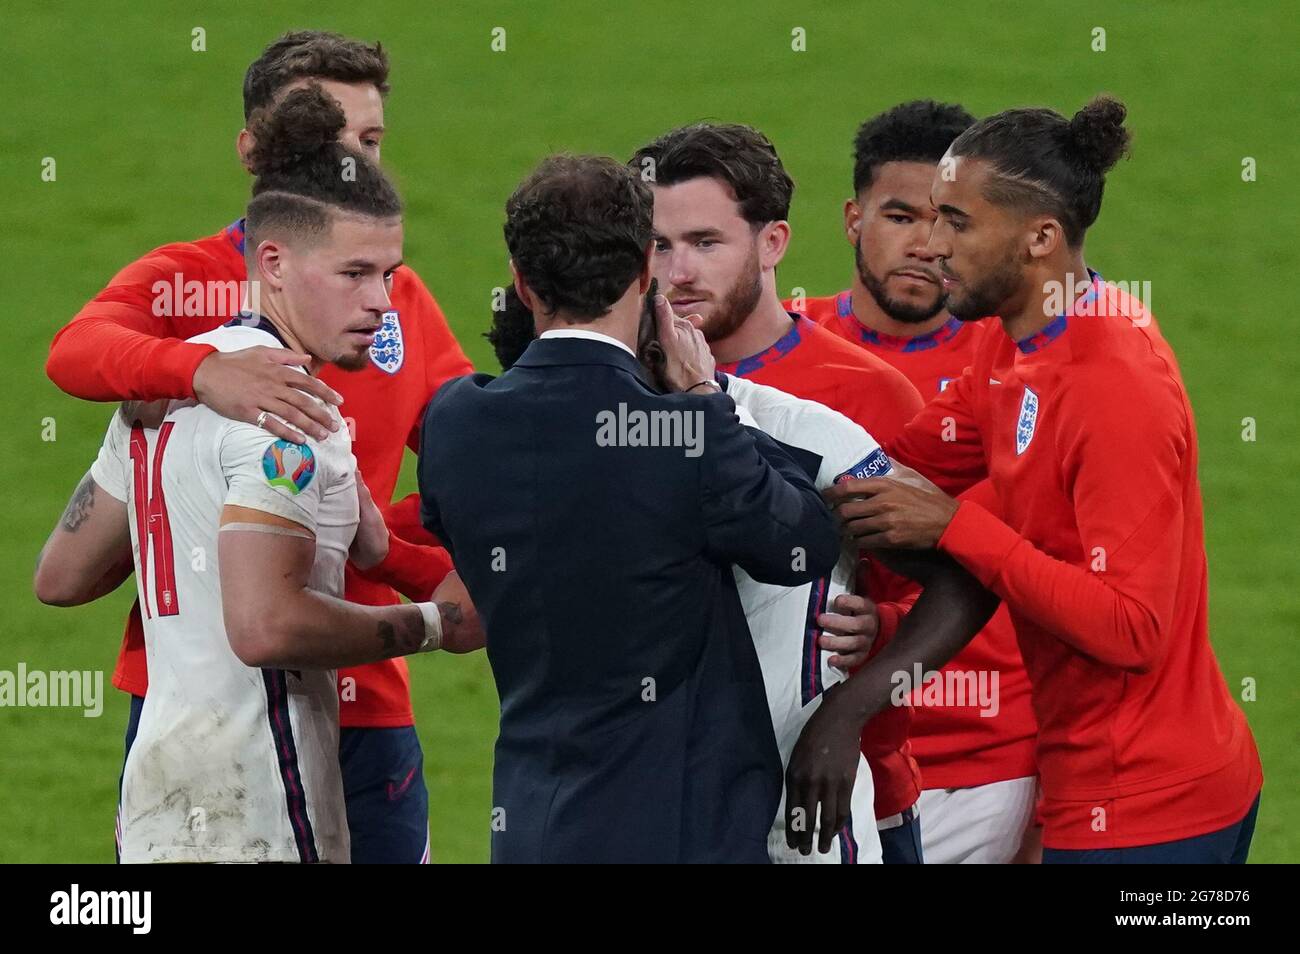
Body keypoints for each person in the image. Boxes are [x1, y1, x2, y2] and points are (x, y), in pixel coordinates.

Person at [43, 30, 472, 863]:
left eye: (369, 140)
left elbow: (463, 459)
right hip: (225, 694)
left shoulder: (394, 295)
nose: (351, 164)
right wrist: (199, 373)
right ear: (256, 151)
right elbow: (73, 352)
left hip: (362, 696)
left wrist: (396, 544)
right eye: (324, 140)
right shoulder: (185, 288)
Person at [827, 97, 1263, 863]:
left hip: (1152, 809)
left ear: (1040, 238)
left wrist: (955, 528)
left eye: (957, 223)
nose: (932, 246)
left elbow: (1133, 628)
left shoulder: (1114, 388)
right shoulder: (1012, 343)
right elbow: (903, 464)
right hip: (1094, 788)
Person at [419, 154, 842, 862]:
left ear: (521, 283)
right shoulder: (683, 433)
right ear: (646, 272)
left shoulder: (457, 421)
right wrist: (706, 397)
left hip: (530, 822)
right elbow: (805, 540)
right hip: (678, 831)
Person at [632, 122, 929, 862]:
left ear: (773, 244)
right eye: (658, 245)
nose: (677, 272)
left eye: (706, 242)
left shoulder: (869, 397)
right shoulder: (622, 386)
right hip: (665, 803)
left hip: (839, 804)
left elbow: (950, 591)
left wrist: (882, 628)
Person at [793, 101, 1040, 864]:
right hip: (812, 755)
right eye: (900, 216)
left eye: (947, 222)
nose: (925, 246)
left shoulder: (1016, 372)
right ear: (852, 219)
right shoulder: (781, 348)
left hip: (984, 768)